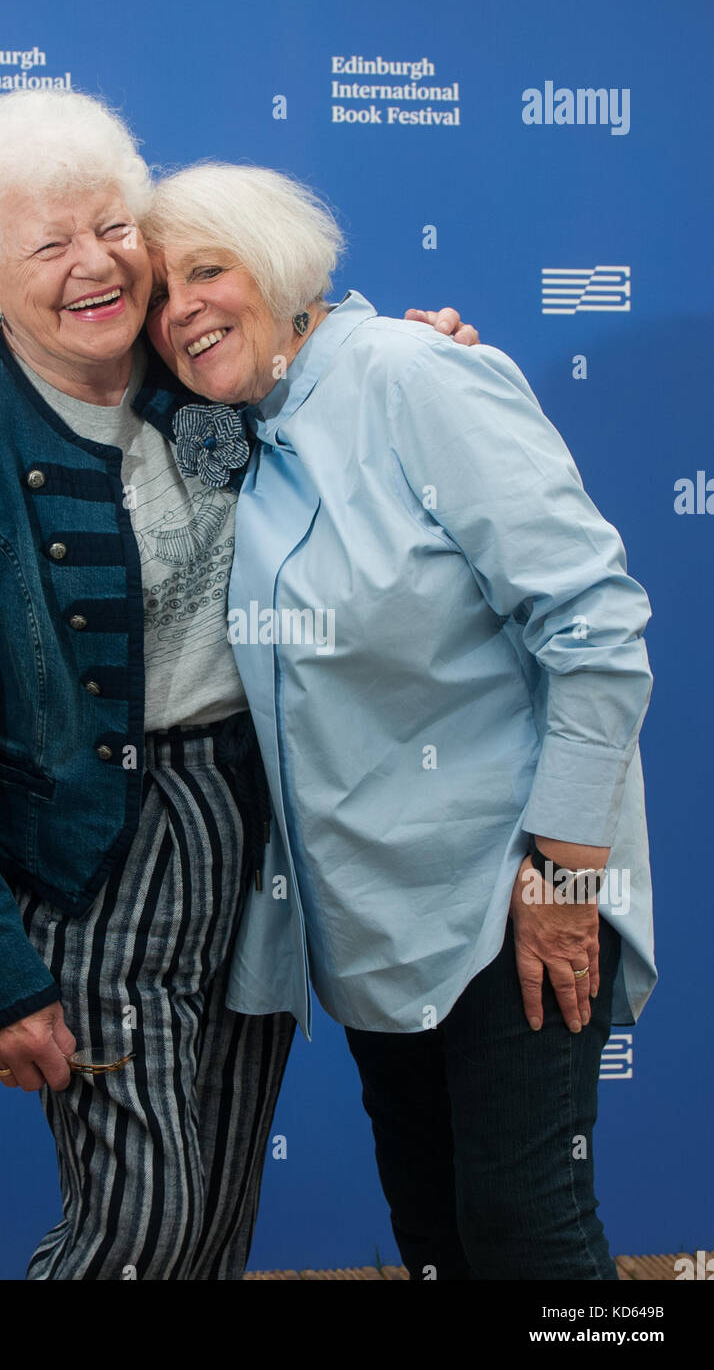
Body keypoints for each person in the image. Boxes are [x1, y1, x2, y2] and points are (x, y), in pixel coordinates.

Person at [0, 89, 474, 1281]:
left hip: (253, 824)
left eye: (111, 227)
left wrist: (419, 360)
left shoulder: (185, 362)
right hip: (91, 853)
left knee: (210, 1222)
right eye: (49, 246)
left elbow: (321, 374)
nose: (96, 265)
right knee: (139, 1228)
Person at [139, 161, 656, 1280]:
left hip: (508, 899)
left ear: (277, 268)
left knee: (532, 1242)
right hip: (373, 928)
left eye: (207, 270)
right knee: (434, 1241)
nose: (180, 309)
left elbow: (597, 629)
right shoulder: (236, 427)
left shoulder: (412, 373)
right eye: (158, 291)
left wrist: (563, 880)